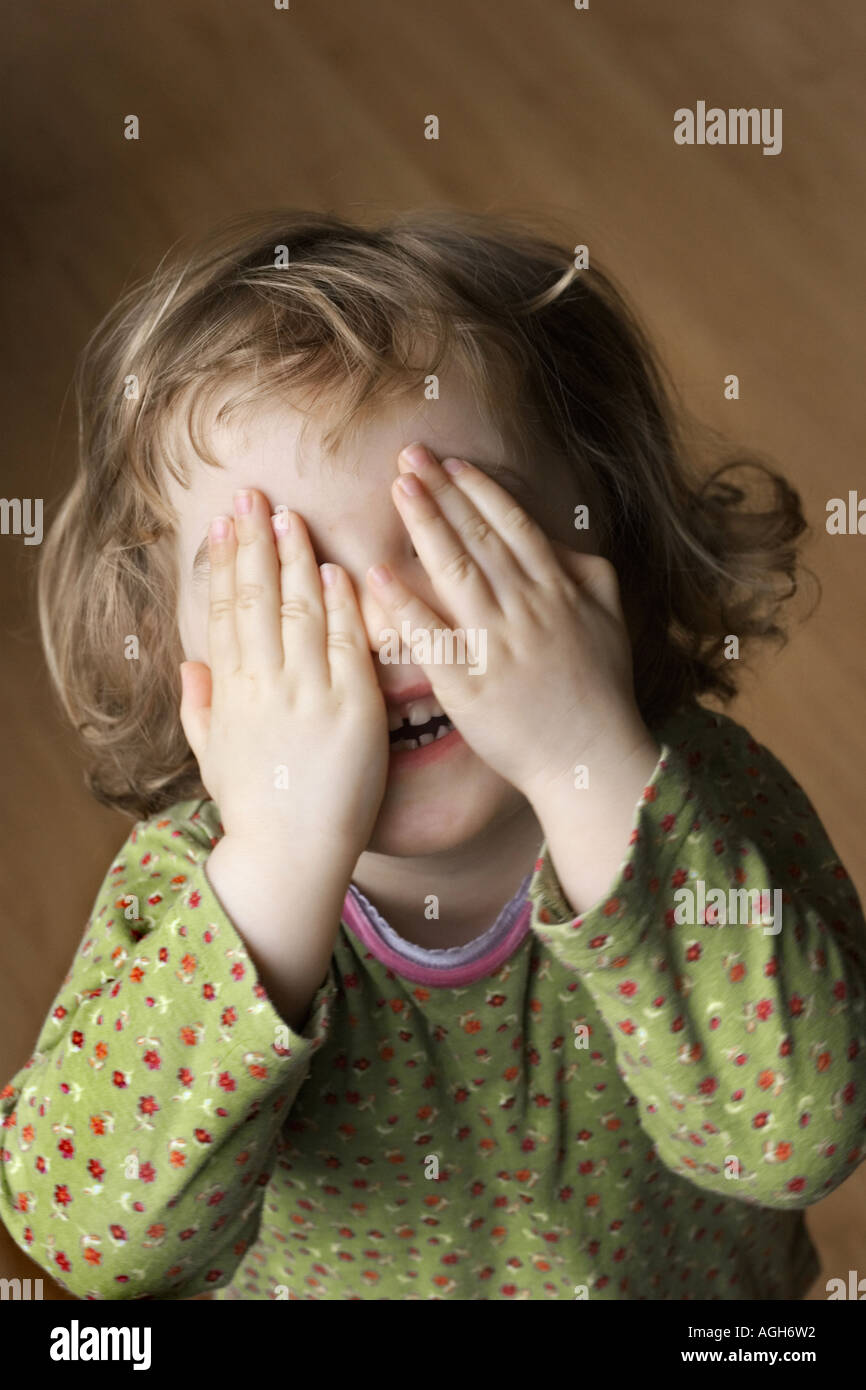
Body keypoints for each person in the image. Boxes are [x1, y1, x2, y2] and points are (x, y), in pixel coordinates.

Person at [2, 209, 863, 1300]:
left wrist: (582, 767)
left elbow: (794, 1138)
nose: (384, 624)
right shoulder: (189, 893)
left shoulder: (696, 797)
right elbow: (92, 1246)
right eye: (288, 578)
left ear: (612, 534)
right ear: (171, 642)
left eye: (458, 534)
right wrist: (275, 866)